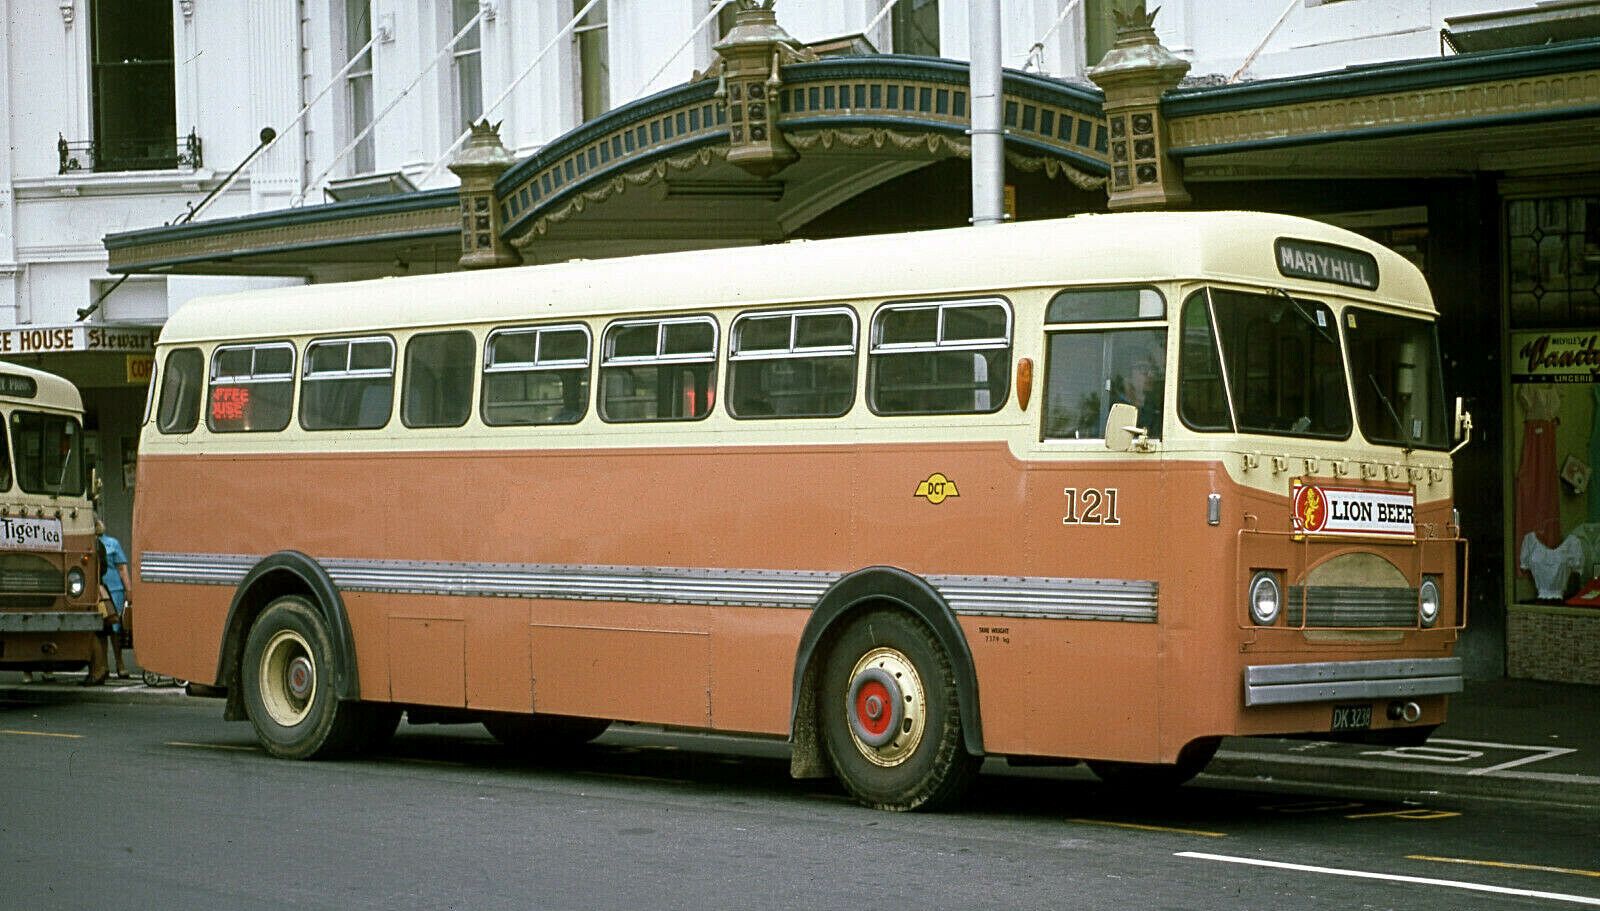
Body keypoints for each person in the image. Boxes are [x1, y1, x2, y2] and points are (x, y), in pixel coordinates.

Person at [96, 518, 130, 680]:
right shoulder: (87, 542)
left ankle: (120, 664)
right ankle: (103, 666)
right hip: (97, 589)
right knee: (101, 628)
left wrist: (129, 589)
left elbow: (122, 567)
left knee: (115, 627)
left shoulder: (112, 543)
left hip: (115, 589)